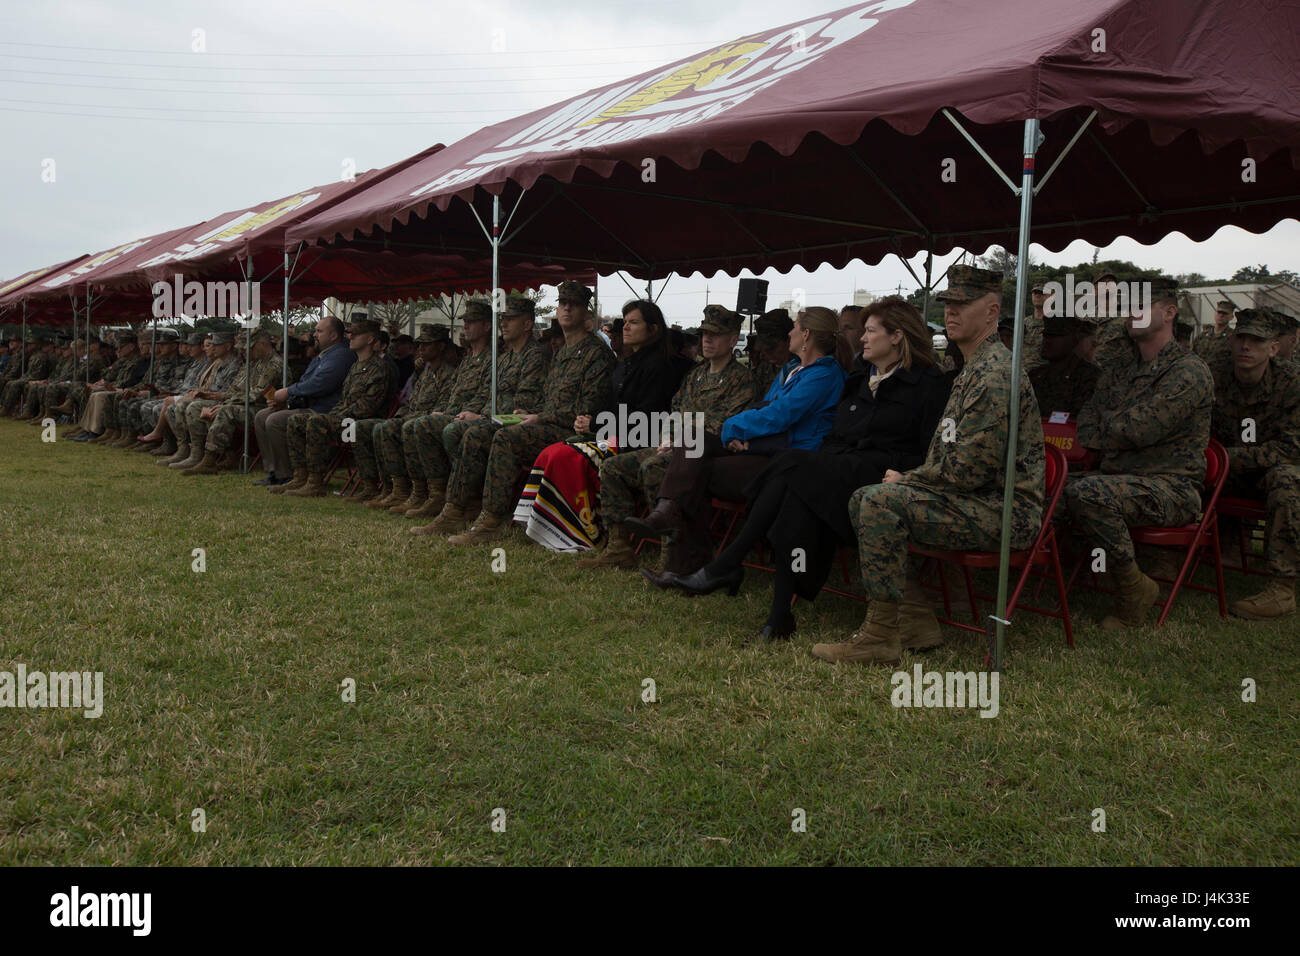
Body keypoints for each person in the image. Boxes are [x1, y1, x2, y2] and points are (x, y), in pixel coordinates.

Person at [662, 297, 952, 642]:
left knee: (792, 465)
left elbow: (934, 448)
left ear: (897, 337)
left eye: (871, 331)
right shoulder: (860, 380)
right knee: (792, 499)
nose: (861, 338)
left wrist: (907, 474)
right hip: (838, 466)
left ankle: (726, 564)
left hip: (882, 476)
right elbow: (834, 435)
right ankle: (778, 618)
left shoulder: (929, 385)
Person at [812, 265, 1044, 665]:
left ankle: (881, 636)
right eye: (948, 304)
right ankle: (914, 619)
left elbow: (969, 470)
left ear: (991, 312)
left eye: (962, 304)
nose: (951, 312)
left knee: (877, 502)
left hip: (1004, 510)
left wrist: (910, 478)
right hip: (974, 498)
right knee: (868, 497)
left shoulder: (995, 375)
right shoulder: (972, 369)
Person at [628, 306, 849, 575]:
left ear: (806, 334)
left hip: (789, 463)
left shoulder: (824, 374)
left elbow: (780, 415)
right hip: (764, 451)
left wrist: (733, 430)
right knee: (693, 447)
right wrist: (743, 436)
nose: (789, 332)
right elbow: (764, 407)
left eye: (794, 326)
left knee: (695, 470)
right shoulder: (793, 368)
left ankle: (684, 556)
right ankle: (673, 529)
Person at [1064, 279, 1213, 629]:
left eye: (1140, 306)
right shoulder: (1123, 371)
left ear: (1169, 313)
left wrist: (1111, 427)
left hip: (1171, 488)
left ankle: (1133, 587)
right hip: (1119, 479)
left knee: (1086, 493)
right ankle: (1060, 584)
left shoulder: (1188, 371)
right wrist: (1116, 428)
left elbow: (1140, 428)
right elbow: (1086, 423)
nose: (1130, 313)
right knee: (1049, 490)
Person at [578, 305, 756, 570]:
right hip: (674, 446)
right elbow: (674, 411)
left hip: (704, 454)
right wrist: (669, 437)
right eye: (704, 334)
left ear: (733, 340)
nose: (707, 340)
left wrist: (681, 435)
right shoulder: (695, 375)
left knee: (651, 468)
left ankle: (671, 555)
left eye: (715, 335)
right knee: (614, 466)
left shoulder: (742, 380)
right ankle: (619, 548)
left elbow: (726, 424)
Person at [444, 280, 614, 544]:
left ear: (586, 315)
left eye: (574, 305)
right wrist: (531, 413)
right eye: (562, 304)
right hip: (545, 422)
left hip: (572, 432)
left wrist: (540, 416)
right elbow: (548, 397)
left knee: (506, 438)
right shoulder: (561, 353)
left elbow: (587, 409)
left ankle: (492, 519)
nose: (567, 309)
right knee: (477, 434)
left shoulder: (596, 354)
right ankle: (456, 508)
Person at [514, 298, 681, 552]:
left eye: (633, 323)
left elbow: (646, 419)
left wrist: (599, 425)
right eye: (625, 322)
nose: (625, 328)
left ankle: (581, 531)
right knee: (555, 451)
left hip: (641, 440)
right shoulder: (626, 364)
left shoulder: (660, 367)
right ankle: (546, 524)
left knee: (567, 456)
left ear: (654, 329)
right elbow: (613, 408)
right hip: (615, 434)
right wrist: (590, 422)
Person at [411, 299, 551, 536]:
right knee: (456, 429)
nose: (504, 324)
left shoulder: (535, 355)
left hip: (517, 420)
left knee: (468, 432)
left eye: (510, 319)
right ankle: (460, 503)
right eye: (503, 319)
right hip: (492, 417)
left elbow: (523, 403)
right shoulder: (505, 358)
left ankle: (463, 508)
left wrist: (482, 416)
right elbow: (488, 394)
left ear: (527, 324)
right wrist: (479, 414)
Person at [1205, 310, 1300, 618]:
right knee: (1187, 464)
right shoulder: (1213, 375)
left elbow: (1291, 448)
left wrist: (1228, 457)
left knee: (1286, 480)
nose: (1246, 346)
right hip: (1227, 470)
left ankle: (1283, 587)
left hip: (1268, 473)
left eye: (1256, 341)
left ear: (1273, 348)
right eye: (1241, 338)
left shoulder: (1292, 384)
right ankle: (1170, 561)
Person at [278, 317, 390, 497]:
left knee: (316, 422)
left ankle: (316, 482)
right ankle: (301, 476)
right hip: (344, 418)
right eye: (350, 334)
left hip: (359, 422)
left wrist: (336, 415)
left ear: (370, 339)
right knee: (296, 420)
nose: (350, 337)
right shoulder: (355, 367)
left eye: (355, 334)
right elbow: (344, 399)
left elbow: (367, 405)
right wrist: (336, 413)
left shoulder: (379, 368)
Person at [349, 324, 457, 506]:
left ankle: (418, 493)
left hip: (427, 422)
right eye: (419, 345)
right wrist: (399, 416)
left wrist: (403, 419)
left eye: (427, 345)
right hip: (410, 417)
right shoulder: (424, 373)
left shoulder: (449, 374)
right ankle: (384, 488)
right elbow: (410, 402)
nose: (421, 349)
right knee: (363, 428)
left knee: (394, 428)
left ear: (440, 347)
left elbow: (441, 408)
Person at [253, 314, 354, 487]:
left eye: (319, 331)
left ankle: (287, 474)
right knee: (262, 415)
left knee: (274, 420)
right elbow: (306, 382)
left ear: (333, 335)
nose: (315, 334)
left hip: (326, 410)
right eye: (315, 330)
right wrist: (289, 400)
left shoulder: (341, 356)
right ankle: (274, 471)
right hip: (311, 405)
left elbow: (321, 384)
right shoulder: (325, 355)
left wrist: (288, 392)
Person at [181, 330, 284, 475]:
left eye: (250, 347)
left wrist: (226, 404)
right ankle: (205, 453)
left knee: (225, 411)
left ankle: (210, 459)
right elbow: (235, 389)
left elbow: (257, 395)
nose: (245, 351)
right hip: (243, 405)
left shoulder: (274, 365)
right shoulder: (253, 363)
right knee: (197, 407)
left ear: (263, 344)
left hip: (264, 408)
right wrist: (213, 396)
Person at [161, 331, 242, 468]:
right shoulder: (218, 363)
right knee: (174, 407)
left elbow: (228, 392)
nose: (212, 348)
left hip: (223, 400)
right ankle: (185, 449)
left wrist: (206, 395)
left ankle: (197, 453)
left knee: (191, 407)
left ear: (228, 346)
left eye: (217, 345)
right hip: (212, 398)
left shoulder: (235, 364)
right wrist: (201, 393)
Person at [1029, 315, 1100, 418]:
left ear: (1073, 340)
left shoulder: (1090, 377)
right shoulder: (1035, 375)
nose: (1046, 341)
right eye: (1046, 335)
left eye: (1055, 336)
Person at [747, 310, 795, 395]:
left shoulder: (800, 369)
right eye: (763, 349)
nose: (765, 354)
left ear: (788, 340)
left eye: (771, 348)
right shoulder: (764, 368)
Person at [1193, 299, 1235, 364]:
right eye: (1219, 312)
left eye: (1225, 313)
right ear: (1215, 313)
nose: (1221, 315)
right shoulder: (1202, 336)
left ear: (1231, 317)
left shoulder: (1233, 337)